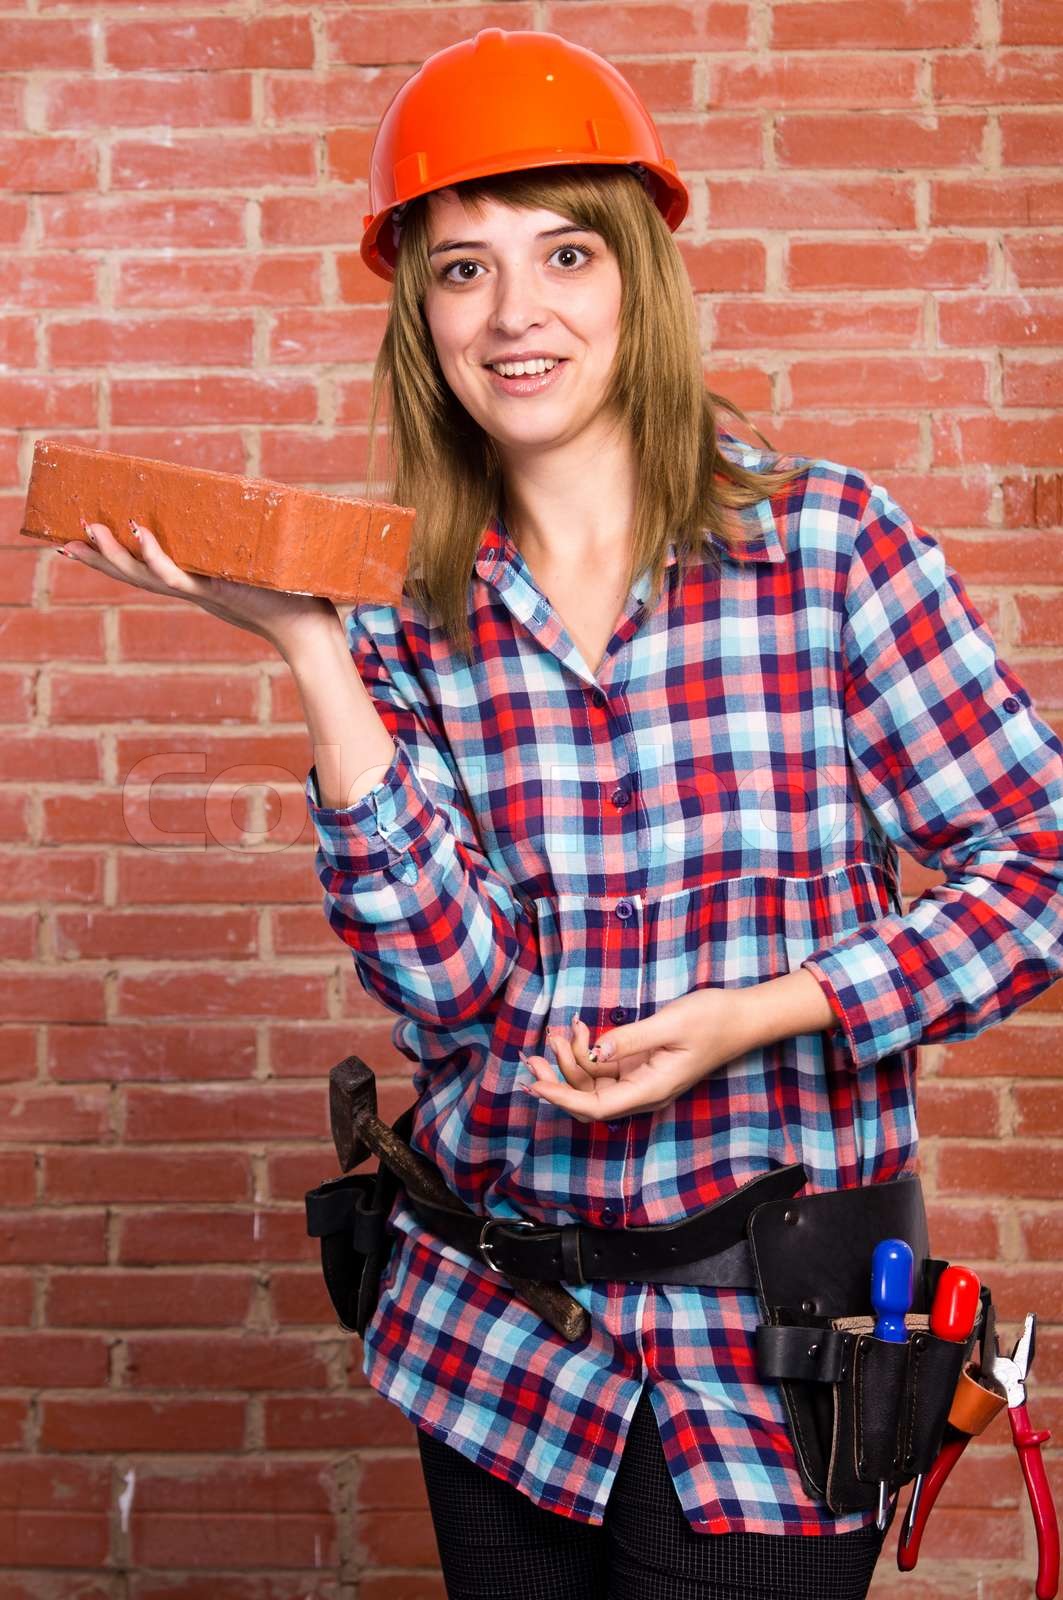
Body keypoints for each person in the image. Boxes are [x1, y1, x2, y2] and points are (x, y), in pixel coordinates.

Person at [66, 27, 1063, 1600]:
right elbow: (451, 994)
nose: (516, 313)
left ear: (638, 282)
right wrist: (320, 656)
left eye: (564, 252)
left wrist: (772, 1010)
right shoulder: (405, 622)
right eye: (462, 270)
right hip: (504, 1355)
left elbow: (1043, 874)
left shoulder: (827, 555)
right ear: (420, 316)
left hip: (773, 1368)